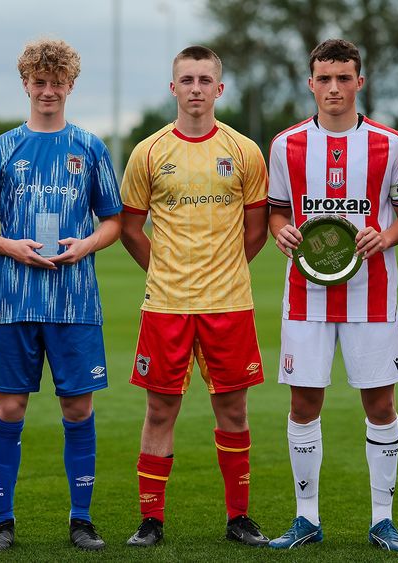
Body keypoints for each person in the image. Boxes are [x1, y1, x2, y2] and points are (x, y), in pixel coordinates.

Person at [0, 38, 122, 552]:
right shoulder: (1, 149)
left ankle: (81, 519)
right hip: (14, 303)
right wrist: (9, 246)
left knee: (77, 409)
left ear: (70, 86)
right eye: (40, 82)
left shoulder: (91, 147)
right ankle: (1, 521)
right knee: (9, 407)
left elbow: (113, 221)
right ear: (26, 85)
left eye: (58, 83)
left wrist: (87, 245)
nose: (48, 91)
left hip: (75, 304)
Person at [266, 39, 398, 552]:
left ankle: (382, 520)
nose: (334, 88)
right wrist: (281, 232)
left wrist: (385, 237)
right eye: (324, 78)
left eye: (343, 78)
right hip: (306, 296)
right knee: (304, 402)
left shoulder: (391, 144)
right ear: (310, 83)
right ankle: (306, 518)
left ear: (360, 82)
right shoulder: (286, 145)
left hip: (371, 296)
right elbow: (277, 212)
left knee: (380, 402)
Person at [120, 45, 270, 547]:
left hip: (229, 304)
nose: (196, 89)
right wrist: (164, 269)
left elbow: (256, 230)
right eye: (187, 80)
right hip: (166, 305)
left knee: (233, 411)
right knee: (160, 411)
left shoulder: (245, 150)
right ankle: (151, 521)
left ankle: (239, 518)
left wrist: (220, 270)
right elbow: (131, 227)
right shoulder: (148, 152)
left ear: (220, 89)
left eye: (205, 80)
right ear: (173, 87)